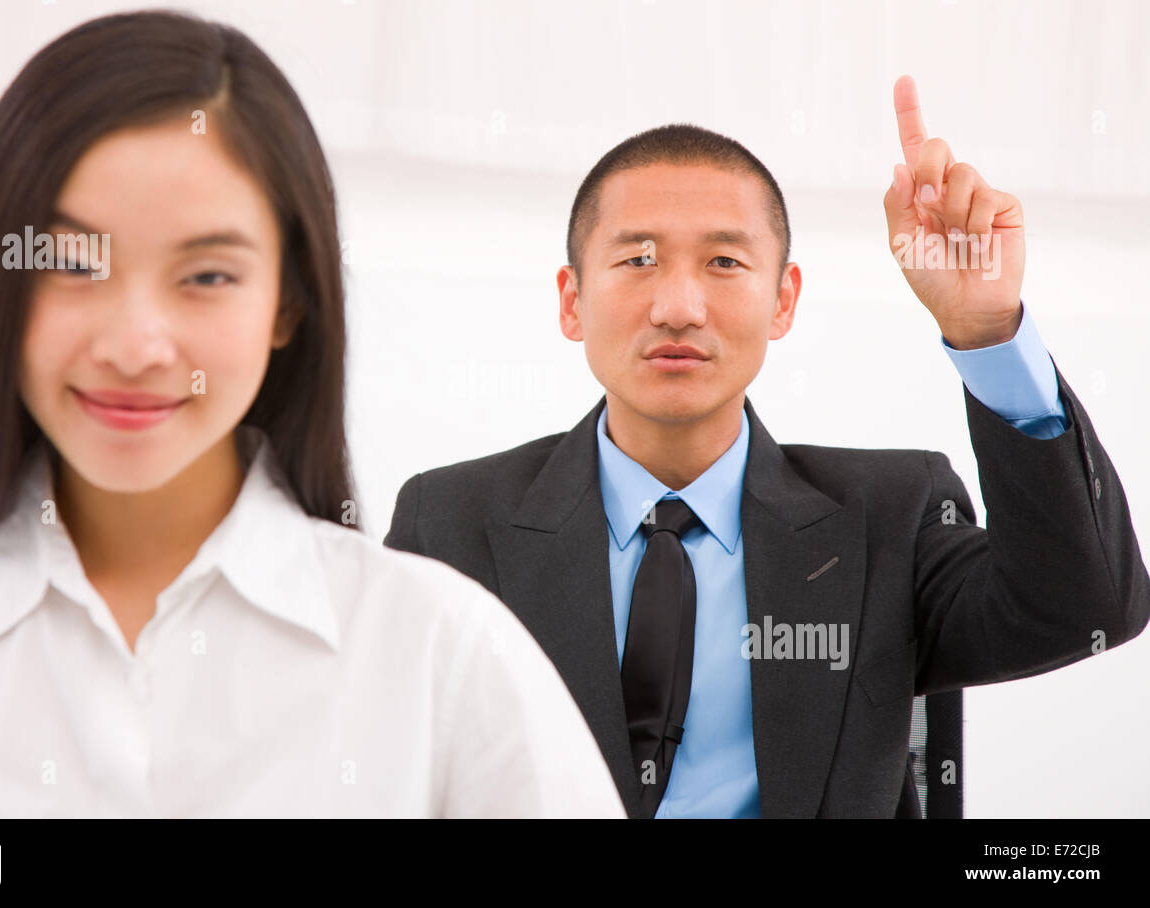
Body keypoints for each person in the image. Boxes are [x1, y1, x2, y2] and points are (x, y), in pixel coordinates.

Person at [0, 10, 624, 818]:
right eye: (73, 263)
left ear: (288, 302)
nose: (136, 345)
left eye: (208, 276)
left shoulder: (445, 653)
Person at [385, 76, 1150, 818]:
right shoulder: (450, 523)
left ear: (782, 300)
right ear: (571, 300)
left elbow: (1085, 607)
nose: (679, 307)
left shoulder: (891, 517)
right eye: (637, 259)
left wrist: (987, 330)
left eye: (724, 262)